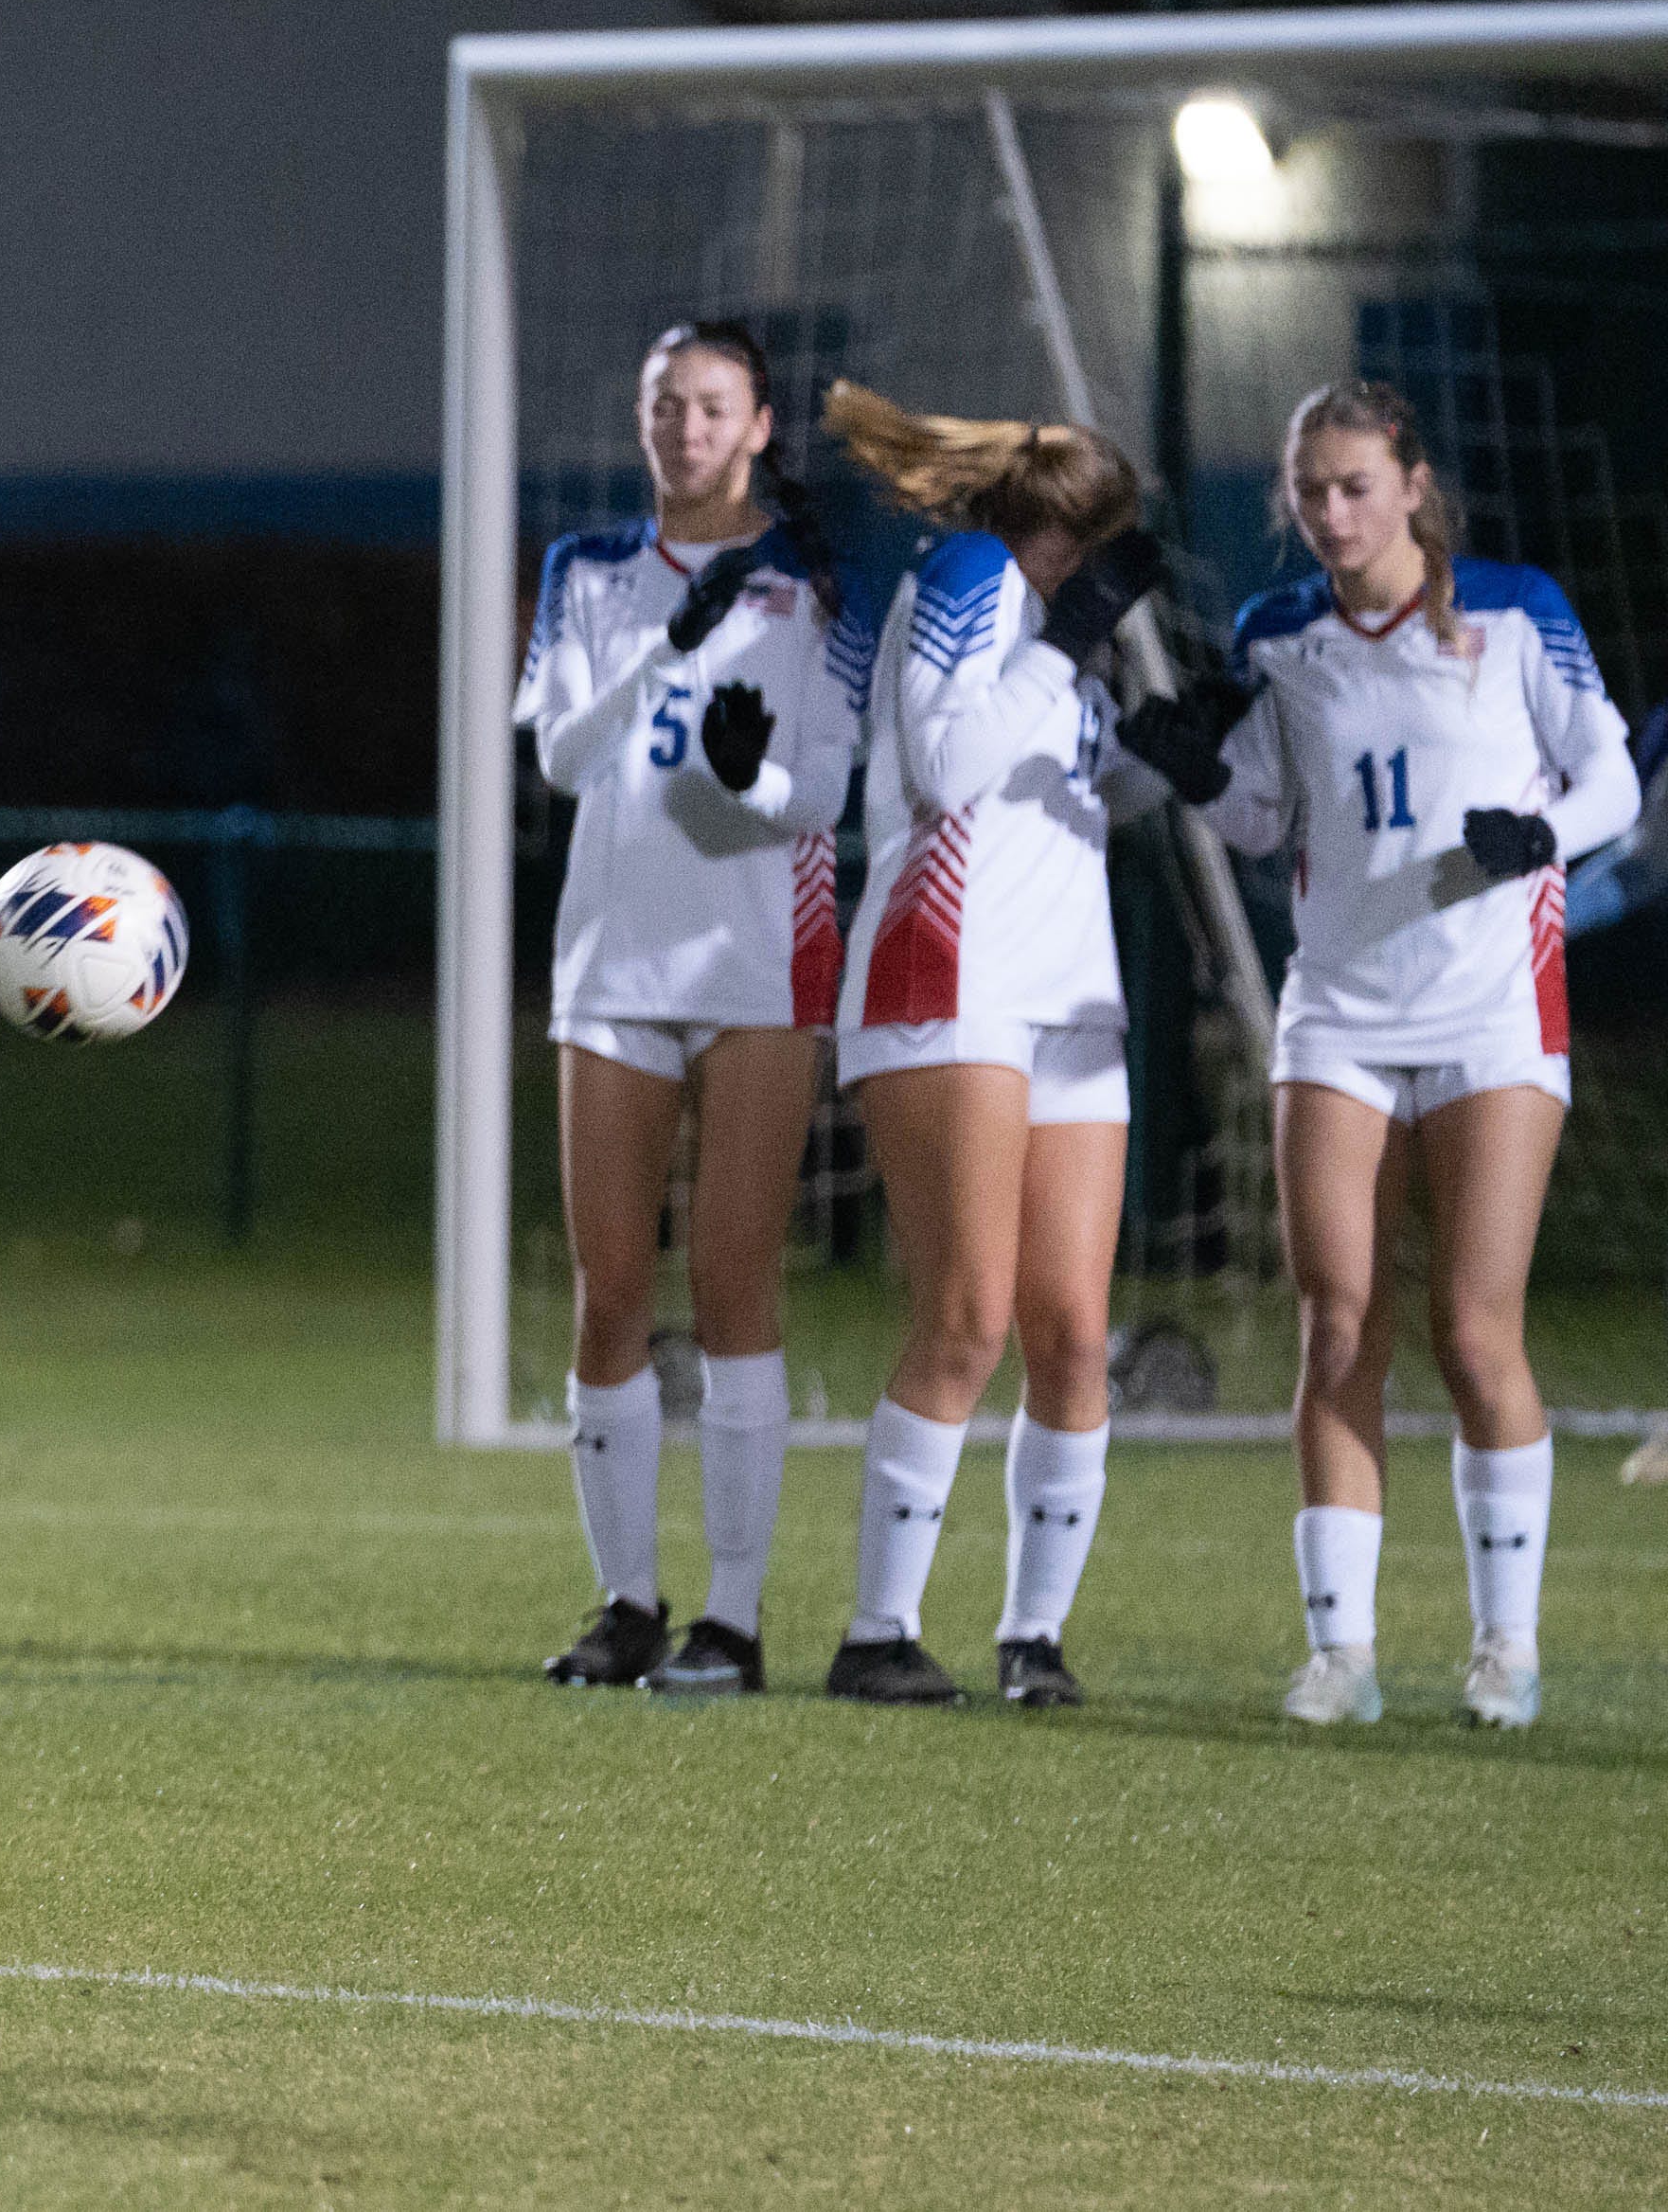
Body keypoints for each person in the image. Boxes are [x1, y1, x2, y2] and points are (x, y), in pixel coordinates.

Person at [1116, 381, 1634, 1728]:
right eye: (1311, 492)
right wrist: (1194, 773)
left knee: (1473, 1328)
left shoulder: (1517, 611)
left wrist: (1547, 838)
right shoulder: (1277, 632)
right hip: (1338, 1007)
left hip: (1491, 1009)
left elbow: (1615, 776)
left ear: (1412, 482)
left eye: (1356, 486)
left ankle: (1504, 1647)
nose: (1332, 514)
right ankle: (1341, 1653)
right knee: (1338, 1319)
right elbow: (1271, 814)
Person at [515, 322, 872, 1697]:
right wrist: (660, 647)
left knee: (734, 1280)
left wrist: (750, 783)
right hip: (612, 965)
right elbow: (559, 753)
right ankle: (626, 1603)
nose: (684, 426)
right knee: (611, 1288)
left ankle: (731, 1615)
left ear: (761, 425)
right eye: (664, 403)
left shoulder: (817, 583)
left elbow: (827, 794)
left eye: (711, 405)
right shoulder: (587, 571)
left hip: (759, 965)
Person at [818, 382, 1165, 1709]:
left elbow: (1051, 791)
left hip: (1067, 998)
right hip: (944, 980)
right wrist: (1063, 642)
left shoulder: (1057, 642)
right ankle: (874, 1630)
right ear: (1068, 533)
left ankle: (1034, 1636)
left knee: (1073, 1329)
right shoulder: (970, 578)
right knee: (965, 1312)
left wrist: (1156, 761)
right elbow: (949, 760)